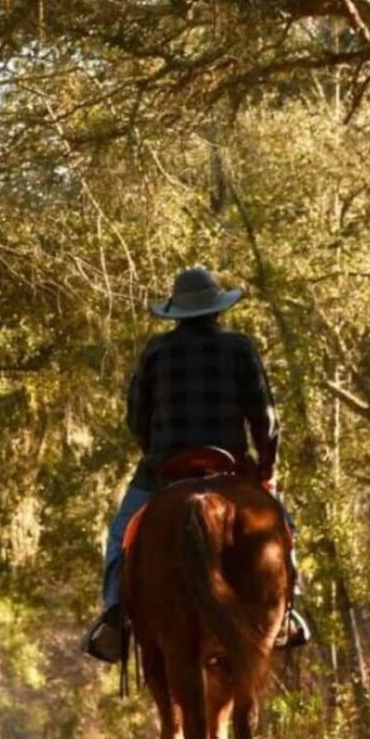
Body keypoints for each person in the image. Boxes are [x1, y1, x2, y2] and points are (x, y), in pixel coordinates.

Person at [82, 266, 310, 663]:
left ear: (178, 313)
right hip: (232, 466)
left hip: (166, 467)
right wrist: (266, 469)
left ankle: (115, 617)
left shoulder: (157, 350)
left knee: (120, 538)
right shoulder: (240, 347)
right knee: (284, 530)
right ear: (217, 310)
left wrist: (155, 452)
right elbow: (266, 419)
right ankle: (287, 609)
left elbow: (136, 417)